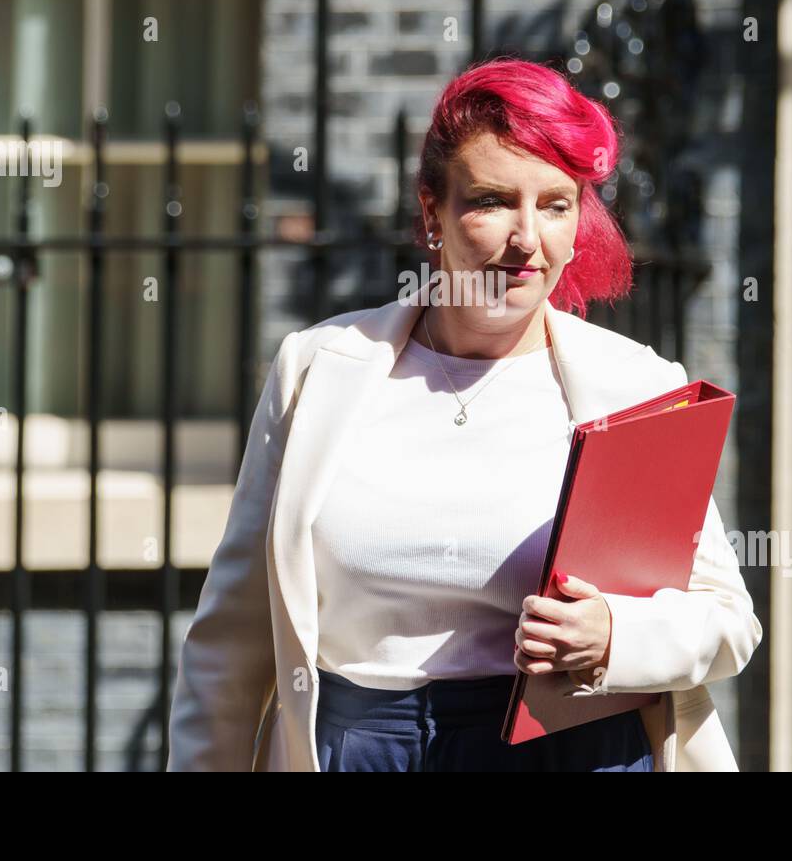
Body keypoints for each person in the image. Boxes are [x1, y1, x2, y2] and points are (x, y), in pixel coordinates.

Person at [167, 57, 762, 772]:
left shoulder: (634, 385)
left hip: (573, 753)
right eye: (491, 200)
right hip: (361, 751)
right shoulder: (317, 368)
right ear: (432, 213)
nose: (526, 240)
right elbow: (231, 646)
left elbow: (728, 620)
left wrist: (614, 634)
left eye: (555, 203)